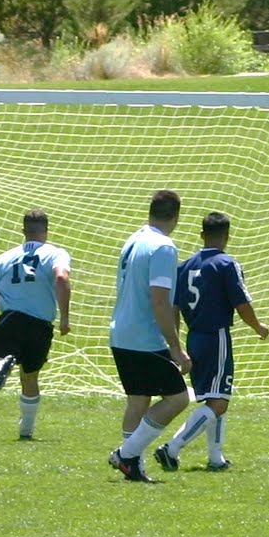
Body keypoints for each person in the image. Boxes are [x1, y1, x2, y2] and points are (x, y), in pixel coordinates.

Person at [152, 211, 269, 473]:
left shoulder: (184, 266)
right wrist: (258, 326)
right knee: (219, 402)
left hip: (193, 337)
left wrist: (176, 343)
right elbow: (242, 303)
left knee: (217, 397)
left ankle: (216, 457)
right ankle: (171, 448)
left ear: (201, 235)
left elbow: (174, 307)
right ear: (227, 237)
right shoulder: (226, 264)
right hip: (216, 336)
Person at [106, 189, 191, 482]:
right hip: (144, 336)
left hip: (121, 332)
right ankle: (127, 454)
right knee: (178, 398)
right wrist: (176, 347)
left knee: (138, 401)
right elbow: (160, 301)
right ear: (176, 216)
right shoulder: (163, 247)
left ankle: (133, 467)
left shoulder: (134, 239)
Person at [0, 208, 72, 440]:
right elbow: (61, 277)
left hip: (10, 320)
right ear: (46, 230)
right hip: (40, 325)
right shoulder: (56, 254)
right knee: (30, 376)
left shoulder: (4, 258)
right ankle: (26, 431)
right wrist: (65, 317)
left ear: (23, 231)